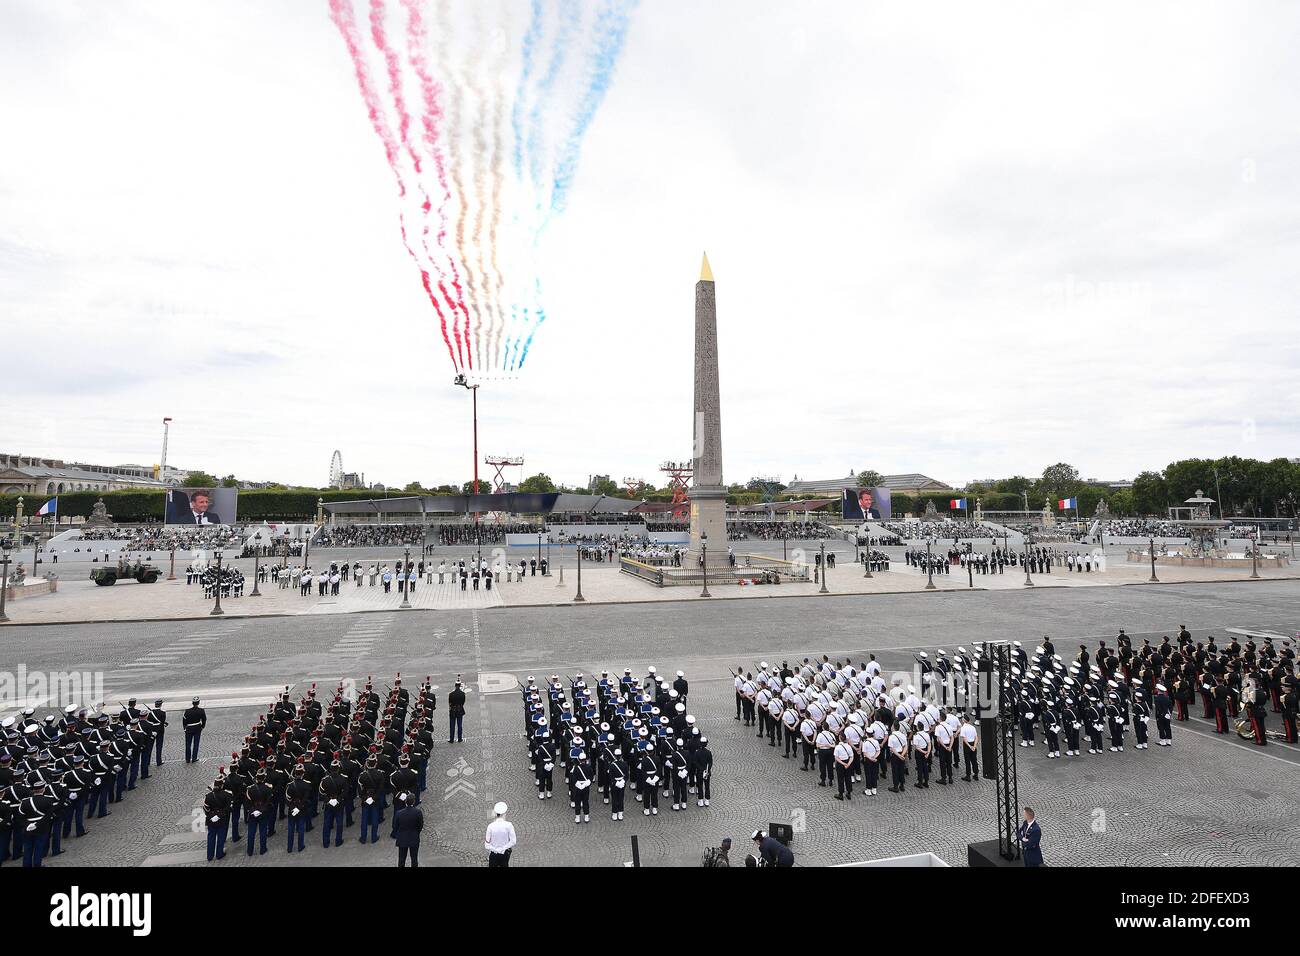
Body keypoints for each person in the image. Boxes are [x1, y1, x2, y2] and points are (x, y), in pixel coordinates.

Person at [485, 801, 516, 866]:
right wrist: (502, 848)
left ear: (496, 814)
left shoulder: (490, 826)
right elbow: (513, 841)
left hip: (493, 854)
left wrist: (496, 850)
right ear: (504, 813)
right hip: (504, 854)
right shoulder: (509, 825)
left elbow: (487, 845)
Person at [393, 800, 423, 868]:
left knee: (401, 859)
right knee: (414, 859)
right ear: (413, 802)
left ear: (405, 802)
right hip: (414, 838)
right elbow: (420, 825)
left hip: (402, 839)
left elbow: (395, 826)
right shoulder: (418, 812)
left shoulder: (399, 813)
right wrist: (416, 833)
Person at [183, 697, 206, 763]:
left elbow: (184, 721)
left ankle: (187, 759)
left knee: (188, 744)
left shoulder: (187, 711)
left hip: (189, 728)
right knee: (196, 744)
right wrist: (202, 727)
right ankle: (194, 758)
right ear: (198, 703)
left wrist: (185, 728)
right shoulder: (201, 710)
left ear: (192, 703)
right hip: (197, 728)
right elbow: (204, 719)